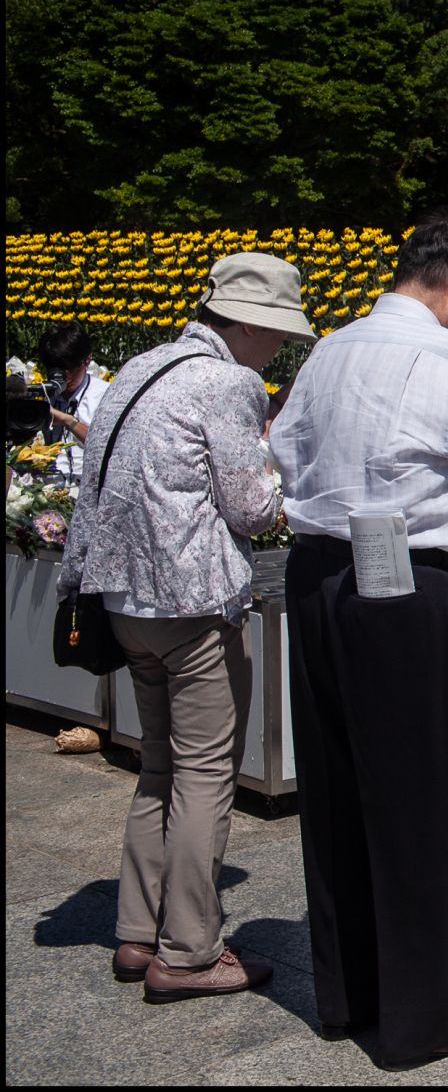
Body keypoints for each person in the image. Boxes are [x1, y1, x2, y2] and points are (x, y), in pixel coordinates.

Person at [270, 211, 448, 1070]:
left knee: (338, 791)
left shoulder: (330, 349)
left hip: (317, 578)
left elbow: (284, 453)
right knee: (427, 803)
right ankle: (420, 1020)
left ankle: (348, 997)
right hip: (413, 588)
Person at [57, 253, 314, 1003]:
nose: (280, 348)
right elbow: (252, 510)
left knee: (159, 768)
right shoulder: (230, 381)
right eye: (276, 333)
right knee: (205, 775)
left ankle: (137, 932)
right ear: (244, 322)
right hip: (194, 607)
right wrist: (280, 462)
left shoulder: (140, 367)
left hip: (123, 603)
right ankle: (191, 951)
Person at [37, 323, 109, 477]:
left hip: (85, 486)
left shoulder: (105, 395)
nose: (66, 376)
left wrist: (68, 421)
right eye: (57, 369)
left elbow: (108, 447)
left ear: (88, 359)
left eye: (72, 367)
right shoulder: (40, 393)